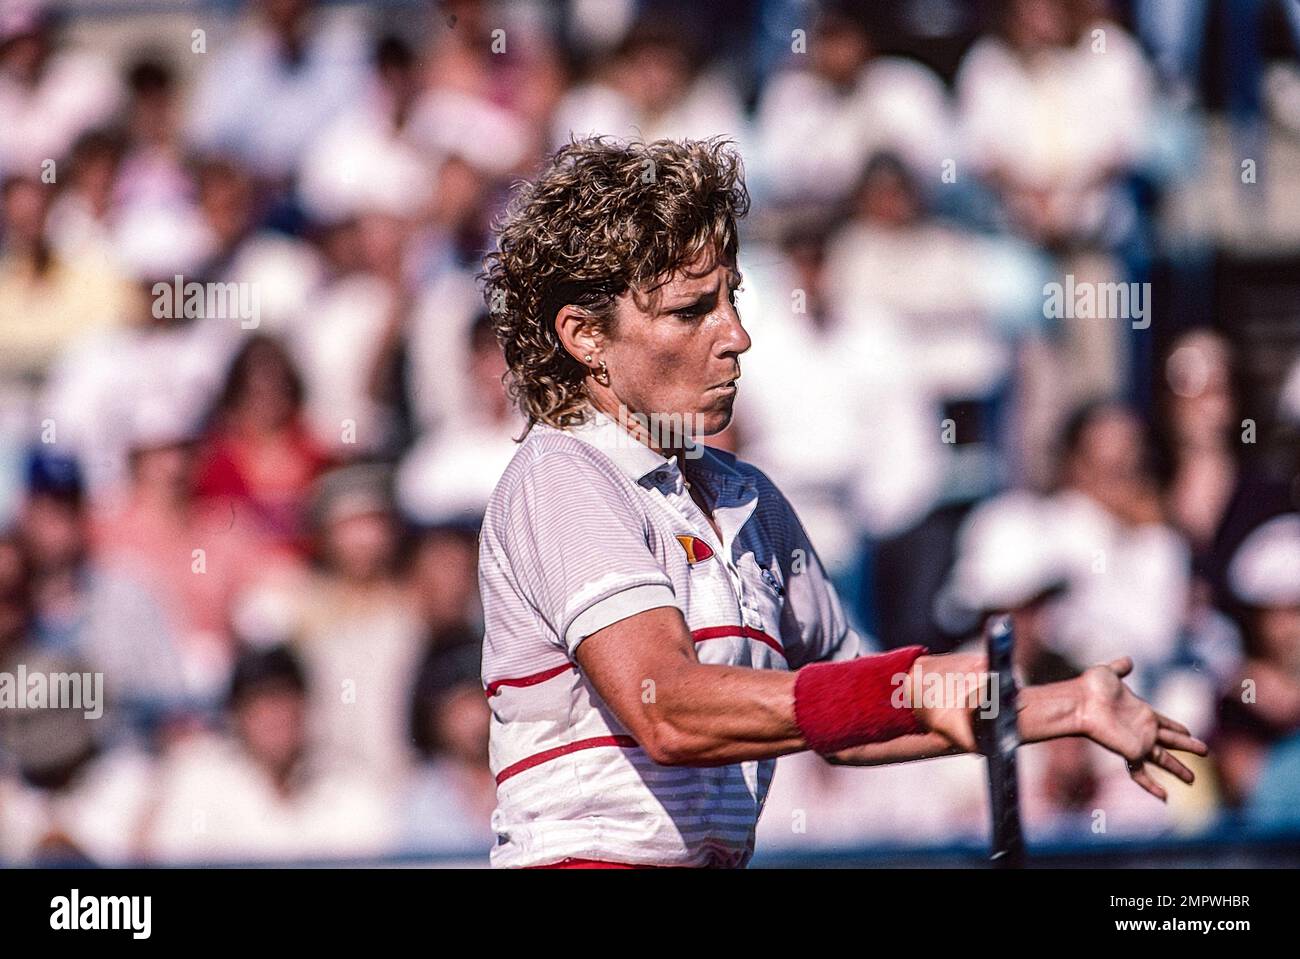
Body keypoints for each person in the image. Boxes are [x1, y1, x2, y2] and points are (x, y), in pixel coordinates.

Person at [476, 135, 1207, 869]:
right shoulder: (561, 474)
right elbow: (666, 705)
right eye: (692, 310)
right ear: (584, 336)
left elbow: (858, 704)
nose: (738, 335)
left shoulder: (749, 501)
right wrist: (907, 690)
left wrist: (1065, 706)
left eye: (732, 297)